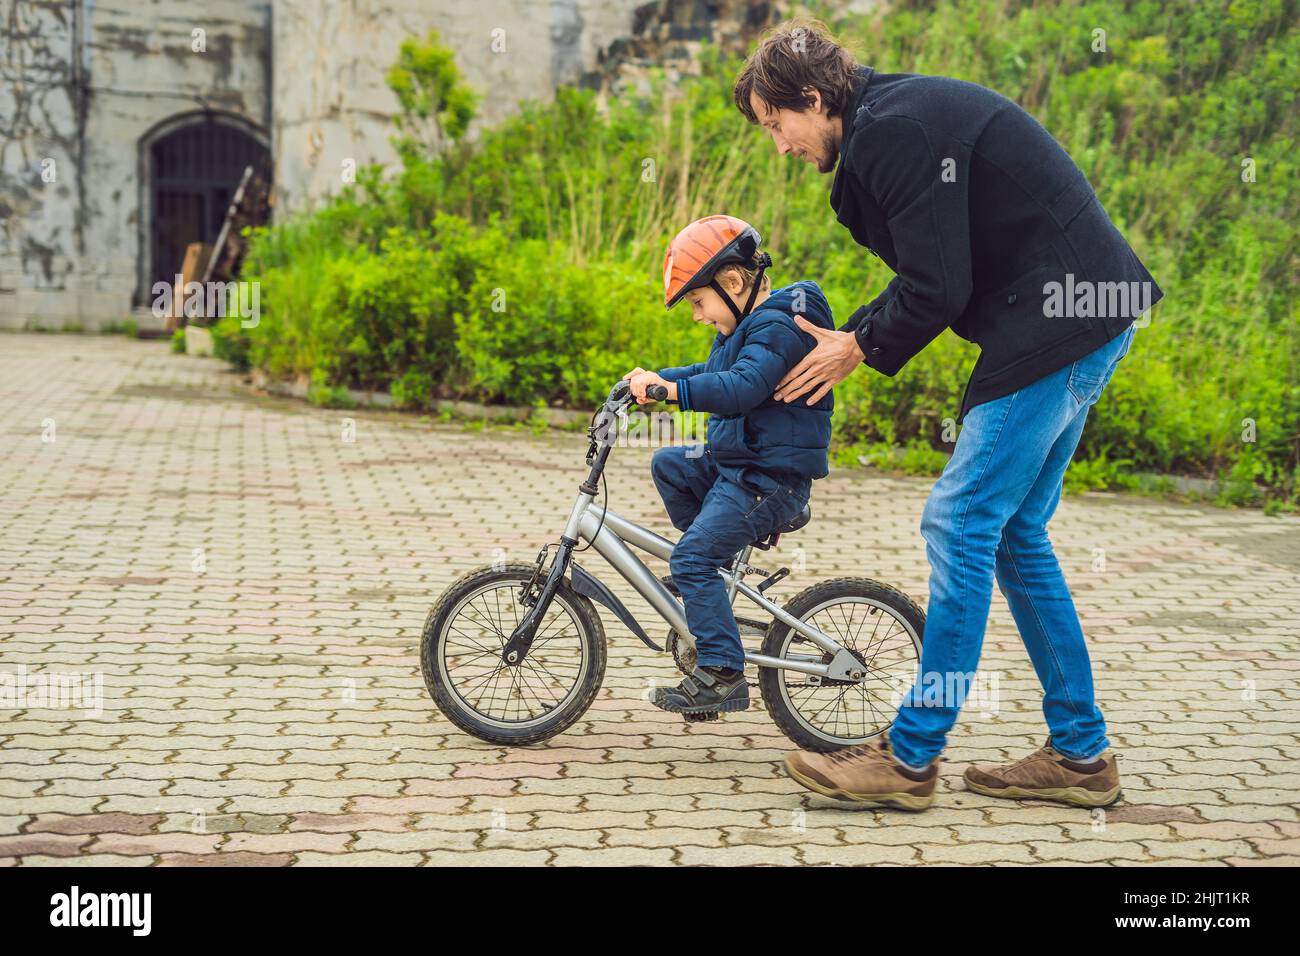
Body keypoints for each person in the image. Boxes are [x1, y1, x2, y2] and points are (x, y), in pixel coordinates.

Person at [732, 21, 1162, 810]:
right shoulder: (893, 120)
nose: (780, 146)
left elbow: (938, 286)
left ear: (814, 99)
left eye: (775, 124)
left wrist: (856, 346)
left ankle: (907, 757)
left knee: (960, 520)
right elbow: (938, 269)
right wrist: (856, 333)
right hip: (1087, 313)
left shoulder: (894, 130)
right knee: (1013, 535)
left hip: (1060, 322)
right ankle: (1080, 754)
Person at [624, 214, 835, 717]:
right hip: (739, 465)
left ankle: (721, 673)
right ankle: (710, 573)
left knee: (688, 559)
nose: (697, 315)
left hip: (768, 480)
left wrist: (671, 393)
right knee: (671, 465)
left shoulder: (780, 327)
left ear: (735, 282)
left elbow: (740, 387)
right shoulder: (747, 327)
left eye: (699, 302)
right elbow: (712, 372)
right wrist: (656, 379)